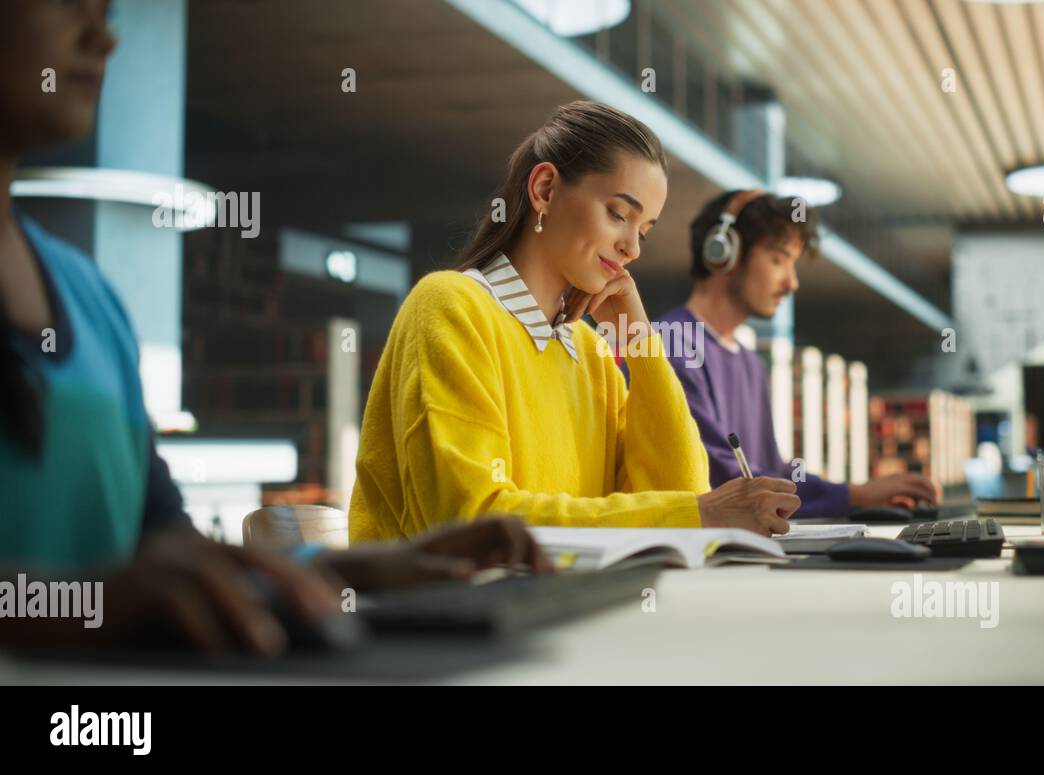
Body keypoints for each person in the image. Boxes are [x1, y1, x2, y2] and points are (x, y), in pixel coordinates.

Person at [0, 0, 547, 657]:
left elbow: (167, 547)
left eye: (108, 8)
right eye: (69, 4)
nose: (104, 37)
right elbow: (122, 586)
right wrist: (91, 603)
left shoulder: (90, 299)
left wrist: (354, 570)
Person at [349, 101, 801, 542]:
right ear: (545, 189)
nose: (633, 249)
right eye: (619, 214)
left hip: (561, 607)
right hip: (443, 612)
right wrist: (695, 513)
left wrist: (640, 343)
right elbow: (470, 520)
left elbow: (678, 500)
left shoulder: (592, 354)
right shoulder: (450, 307)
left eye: (643, 230)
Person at [657, 190, 940, 517]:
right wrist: (853, 495)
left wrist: (857, 494)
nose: (792, 283)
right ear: (725, 253)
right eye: (778, 259)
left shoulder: (748, 362)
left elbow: (768, 471)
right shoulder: (673, 344)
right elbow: (723, 482)